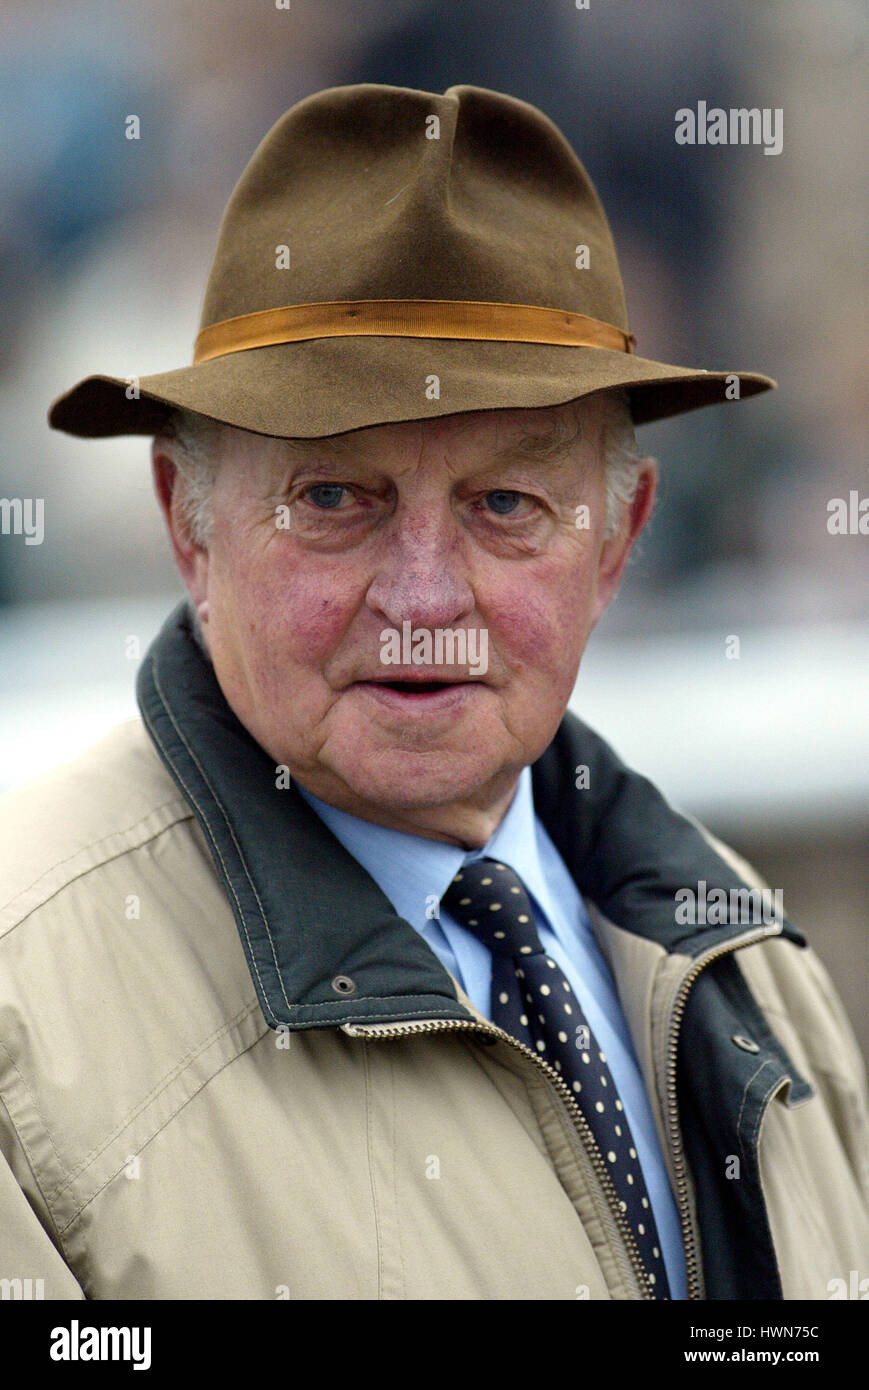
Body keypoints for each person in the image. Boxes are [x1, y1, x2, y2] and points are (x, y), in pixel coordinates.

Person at [2, 83, 866, 1301]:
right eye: (334, 500)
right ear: (188, 529)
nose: (420, 598)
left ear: (616, 541)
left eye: (504, 505)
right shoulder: (22, 1015)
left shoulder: (746, 964)